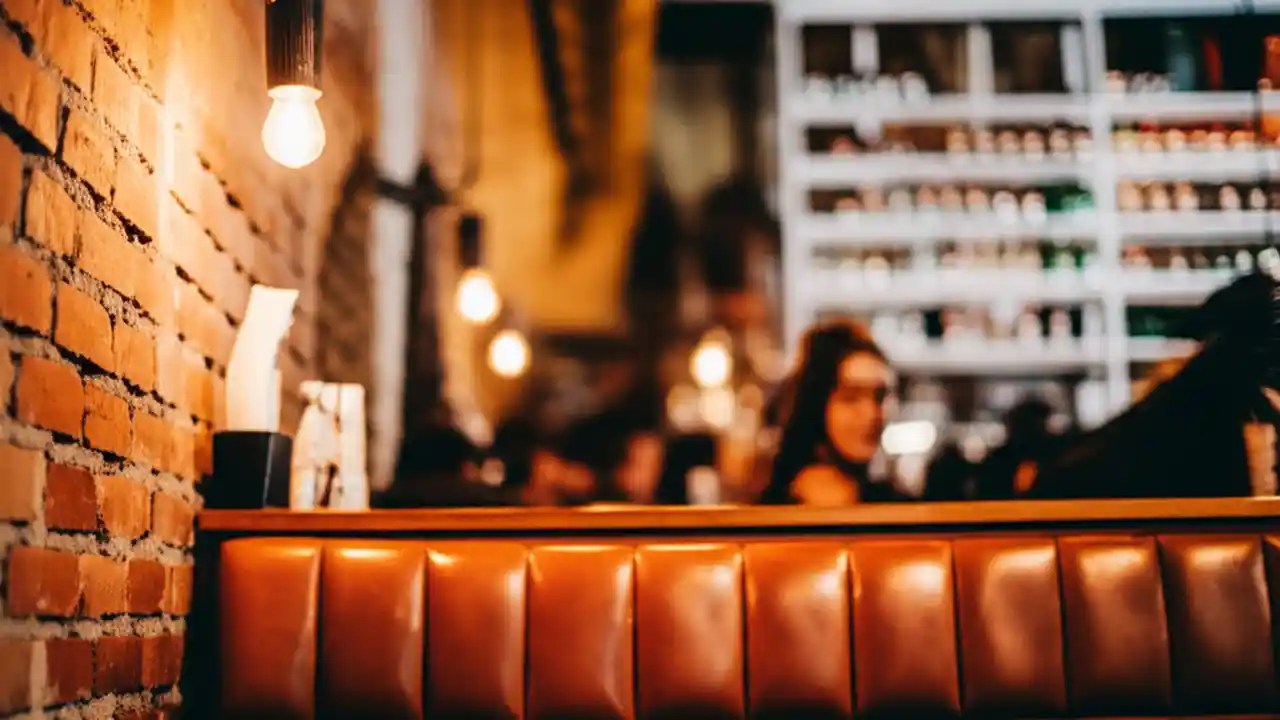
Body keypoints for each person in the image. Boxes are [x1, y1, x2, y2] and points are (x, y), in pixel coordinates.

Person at [764, 321, 898, 505]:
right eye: (851, 397)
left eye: (880, 397)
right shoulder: (776, 508)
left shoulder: (891, 501)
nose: (871, 414)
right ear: (817, 403)